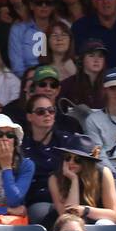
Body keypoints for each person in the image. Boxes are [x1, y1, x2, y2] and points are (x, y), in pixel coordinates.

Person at [18, 88, 74, 223]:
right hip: (39, 201)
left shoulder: (68, 141)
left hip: (68, 198)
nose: (47, 114)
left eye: (51, 110)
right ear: (29, 116)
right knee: (46, 213)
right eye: (40, 111)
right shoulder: (21, 147)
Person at [48, 131, 116, 225]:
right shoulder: (54, 179)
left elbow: (114, 216)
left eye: (77, 159)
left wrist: (85, 210)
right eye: (68, 157)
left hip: (96, 225)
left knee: (104, 223)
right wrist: (74, 180)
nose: (71, 162)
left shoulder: (103, 173)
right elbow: (68, 218)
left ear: (87, 162)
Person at [8, 0, 61, 77]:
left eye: (48, 2)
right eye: (39, 2)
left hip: (58, 81)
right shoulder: (18, 30)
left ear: (53, 6)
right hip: (28, 83)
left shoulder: (63, 27)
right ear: (31, 5)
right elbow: (17, 68)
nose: (44, 6)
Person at [0, 112, 33, 223]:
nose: (5, 139)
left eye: (10, 135)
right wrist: (6, 210)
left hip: (8, 221)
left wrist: (6, 167)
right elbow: (13, 208)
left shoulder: (26, 165)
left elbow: (14, 201)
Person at [61, 38, 108, 109]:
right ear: (82, 59)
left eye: (100, 56)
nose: (96, 60)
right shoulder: (67, 85)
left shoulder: (109, 85)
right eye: (91, 55)